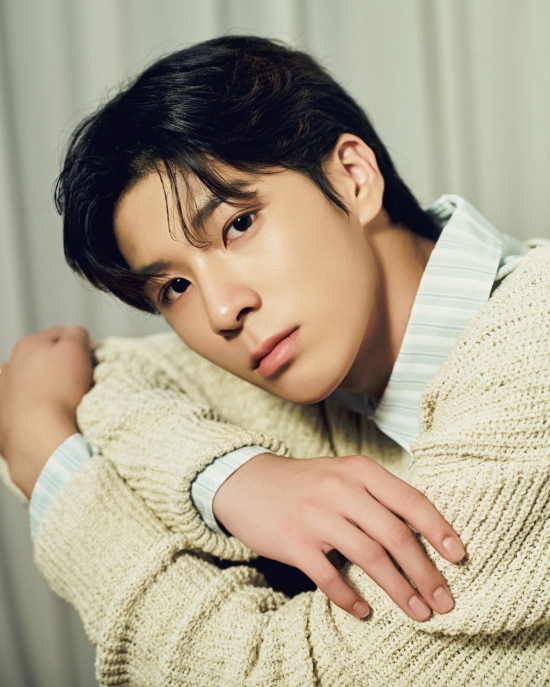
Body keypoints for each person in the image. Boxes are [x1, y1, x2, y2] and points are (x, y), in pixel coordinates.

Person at [0, 35, 549, 686]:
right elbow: (104, 376)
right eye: (174, 287)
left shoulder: (533, 351)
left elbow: (281, 673)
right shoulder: (319, 359)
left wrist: (49, 459)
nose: (221, 310)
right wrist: (233, 479)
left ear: (353, 178)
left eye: (237, 225)